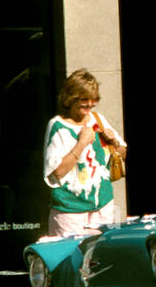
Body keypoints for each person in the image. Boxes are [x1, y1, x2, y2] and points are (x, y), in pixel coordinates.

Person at [43, 69, 127, 235]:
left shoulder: (98, 118)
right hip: (71, 212)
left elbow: (122, 153)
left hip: (103, 207)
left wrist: (114, 142)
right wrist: (81, 144)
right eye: (84, 100)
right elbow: (57, 172)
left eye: (93, 99)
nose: (90, 104)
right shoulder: (57, 127)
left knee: (102, 257)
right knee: (70, 258)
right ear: (70, 99)